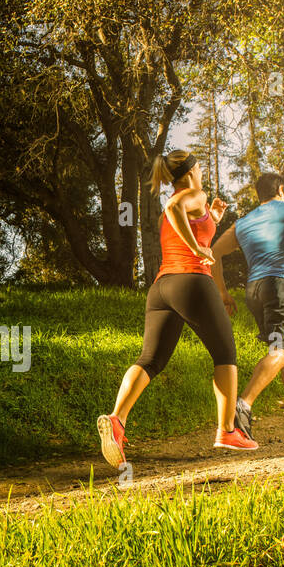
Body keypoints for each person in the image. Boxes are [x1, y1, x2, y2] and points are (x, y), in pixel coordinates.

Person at [97, 150, 258, 470]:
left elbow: (184, 221)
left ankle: (117, 419)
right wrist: (199, 247)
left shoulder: (194, 203)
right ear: (191, 171)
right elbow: (175, 208)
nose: (202, 172)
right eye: (200, 166)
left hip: (161, 289)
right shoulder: (191, 194)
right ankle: (227, 430)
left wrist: (211, 218)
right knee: (226, 354)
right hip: (192, 283)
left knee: (150, 360)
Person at [209, 172, 284, 440]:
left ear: (260, 196)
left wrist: (223, 293)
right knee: (281, 349)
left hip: (255, 292)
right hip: (281, 287)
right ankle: (243, 405)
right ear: (283, 190)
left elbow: (214, 252)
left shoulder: (245, 221)